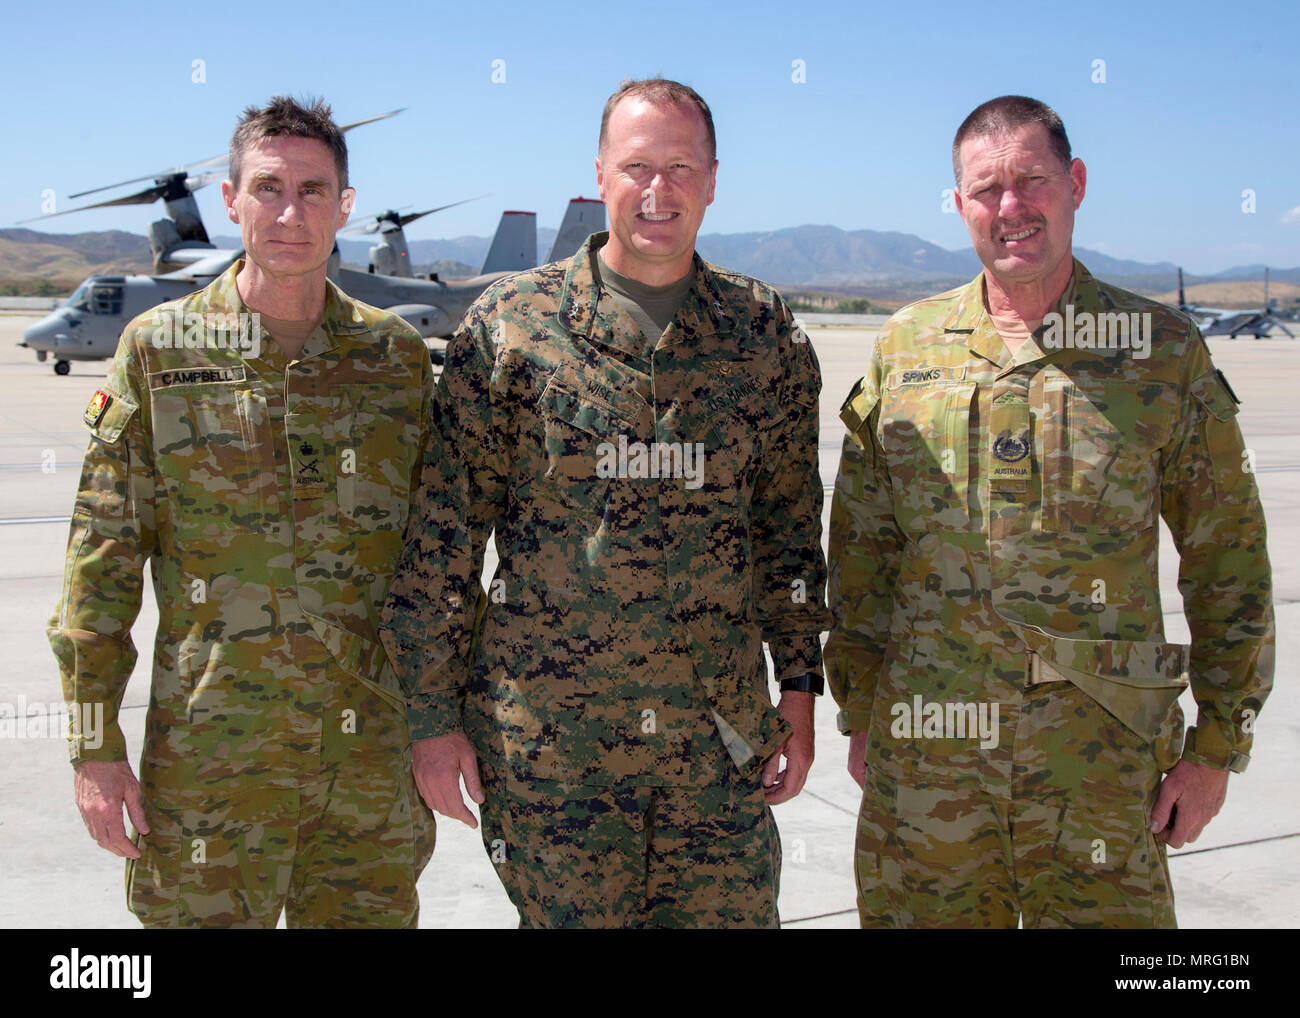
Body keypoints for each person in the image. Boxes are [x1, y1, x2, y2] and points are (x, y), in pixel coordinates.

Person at [380, 78, 830, 928]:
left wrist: (800, 694)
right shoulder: (513, 326)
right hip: (553, 753)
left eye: (680, 166)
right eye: (636, 167)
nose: (658, 191)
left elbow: (789, 534)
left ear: (712, 178)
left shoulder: (763, 333)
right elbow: (442, 540)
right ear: (599, 174)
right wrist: (432, 722)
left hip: (719, 740)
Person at [824, 94, 1274, 929]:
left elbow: (1230, 562)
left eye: (1031, 180)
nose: (1010, 207)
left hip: (1101, 774)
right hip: (930, 769)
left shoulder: (1160, 351)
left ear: (1075, 183)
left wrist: (1215, 752)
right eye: (985, 189)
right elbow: (860, 548)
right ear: (957, 205)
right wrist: (862, 712)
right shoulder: (906, 348)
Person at [48, 95, 436, 928]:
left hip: (366, 770)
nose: (290, 212)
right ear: (231, 201)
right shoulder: (161, 348)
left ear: (345, 206)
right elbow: (100, 562)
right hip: (211, 767)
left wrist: (446, 725)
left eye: (313, 189)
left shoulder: (394, 359)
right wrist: (93, 747)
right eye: (267, 188)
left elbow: (435, 564)